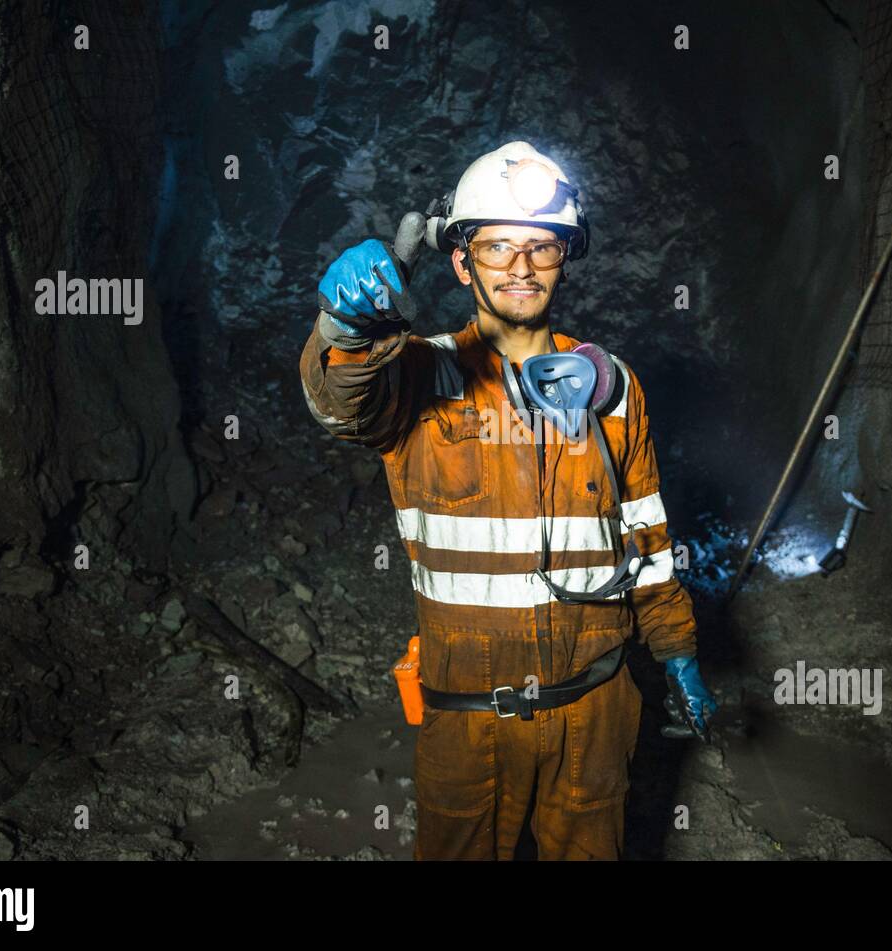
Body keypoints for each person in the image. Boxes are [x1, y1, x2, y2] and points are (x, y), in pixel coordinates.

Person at [299, 140, 715, 860]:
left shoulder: (613, 387)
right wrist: (345, 329)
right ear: (462, 261)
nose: (520, 267)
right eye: (496, 247)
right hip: (469, 723)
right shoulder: (420, 374)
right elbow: (339, 402)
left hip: (595, 712)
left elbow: (645, 534)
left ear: (566, 256)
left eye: (541, 247)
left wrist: (677, 647)